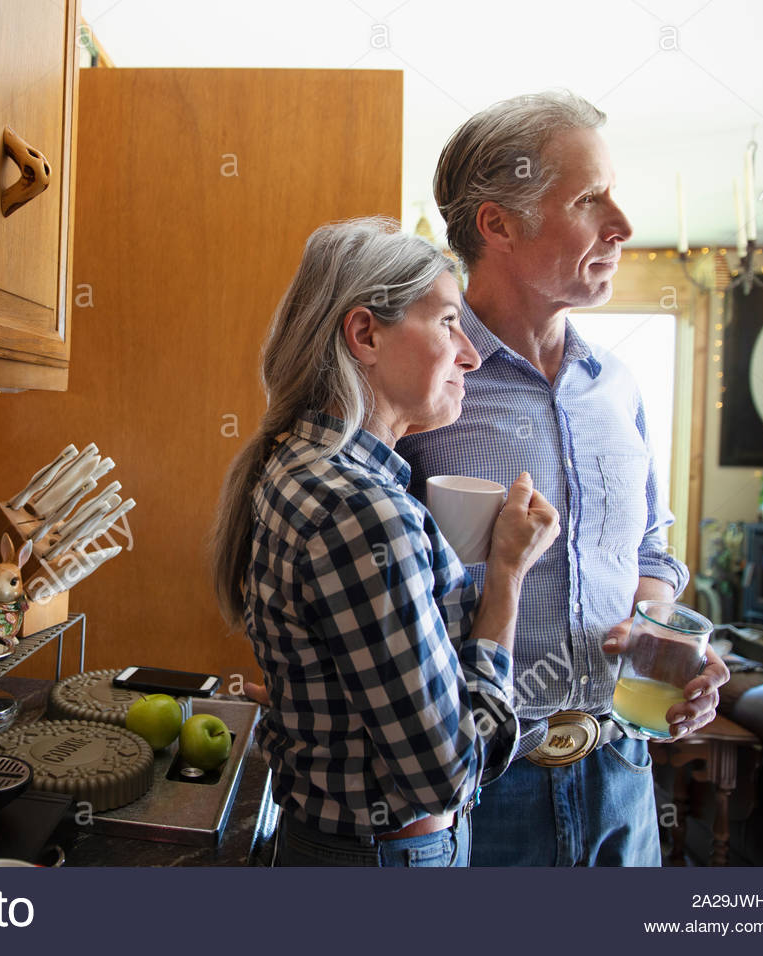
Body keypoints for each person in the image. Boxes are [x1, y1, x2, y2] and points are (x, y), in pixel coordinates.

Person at [395, 91, 731, 866]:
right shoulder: (418, 386)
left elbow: (649, 553)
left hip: (623, 775)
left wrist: (665, 639)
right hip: (477, 784)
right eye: (589, 198)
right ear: (498, 224)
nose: (623, 224)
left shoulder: (619, 385)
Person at [210, 217, 559, 866]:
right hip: (386, 857)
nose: (471, 355)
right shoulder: (364, 510)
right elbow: (449, 773)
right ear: (365, 334)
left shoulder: (296, 468)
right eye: (449, 322)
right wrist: (507, 577)